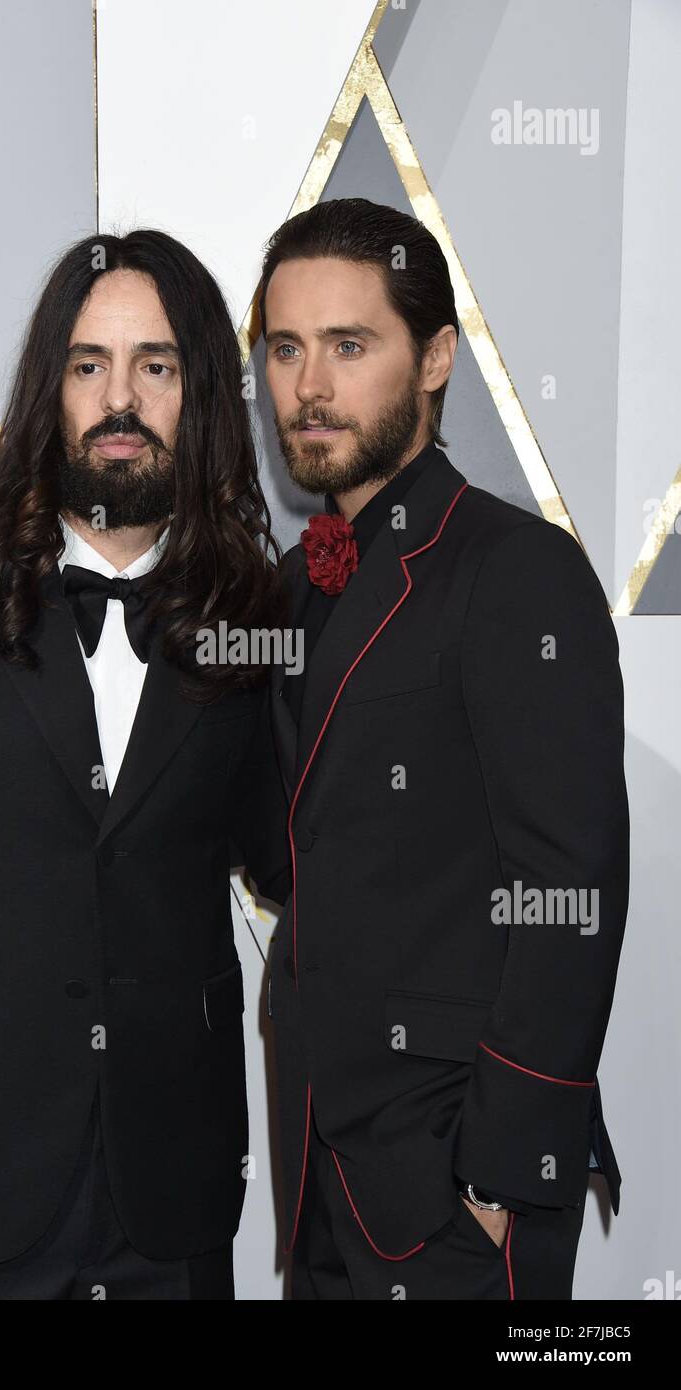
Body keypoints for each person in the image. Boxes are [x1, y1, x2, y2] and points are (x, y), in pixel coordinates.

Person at [0, 229, 289, 1300]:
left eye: (154, 367)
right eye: (89, 366)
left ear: (201, 393)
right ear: (50, 387)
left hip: (166, 1201)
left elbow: (296, 855)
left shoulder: (251, 622)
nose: (118, 399)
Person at [259, 197, 628, 1300]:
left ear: (433, 360)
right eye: (283, 349)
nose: (309, 387)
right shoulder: (288, 589)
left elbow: (570, 884)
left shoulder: (516, 570)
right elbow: (299, 850)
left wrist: (497, 1173)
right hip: (320, 1164)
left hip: (456, 1188)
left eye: (347, 345)